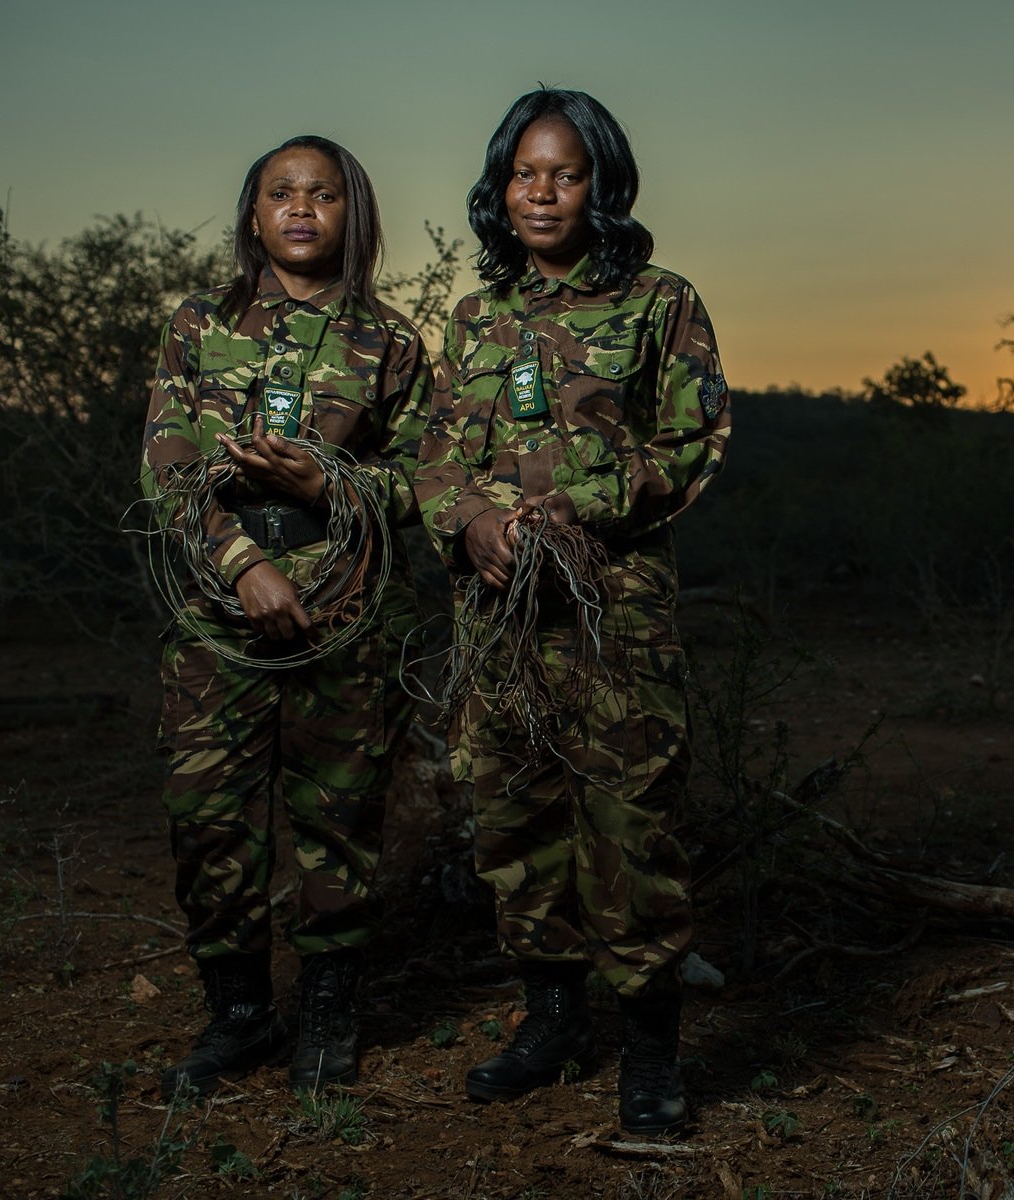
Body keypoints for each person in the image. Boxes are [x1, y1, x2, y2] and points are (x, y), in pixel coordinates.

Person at [416, 88, 730, 1135]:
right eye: (524, 174)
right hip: (497, 619)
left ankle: (650, 1052)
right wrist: (471, 523)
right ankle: (550, 1022)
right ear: (499, 189)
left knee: (630, 823)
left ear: (602, 183)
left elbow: (689, 444)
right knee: (513, 816)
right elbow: (434, 456)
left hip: (614, 614)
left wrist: (573, 510)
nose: (543, 192)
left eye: (566, 173)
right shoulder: (475, 318)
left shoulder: (659, 302)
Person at [141, 135, 429, 1097]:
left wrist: (329, 486)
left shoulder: (390, 341)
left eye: (323, 194)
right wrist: (244, 565)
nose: (302, 208)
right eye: (281, 192)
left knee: (337, 818)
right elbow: (166, 468)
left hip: (346, 610)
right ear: (254, 213)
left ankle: (328, 1015)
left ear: (355, 213)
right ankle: (239, 1016)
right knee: (207, 816)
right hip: (217, 612)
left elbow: (422, 480)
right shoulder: (199, 324)